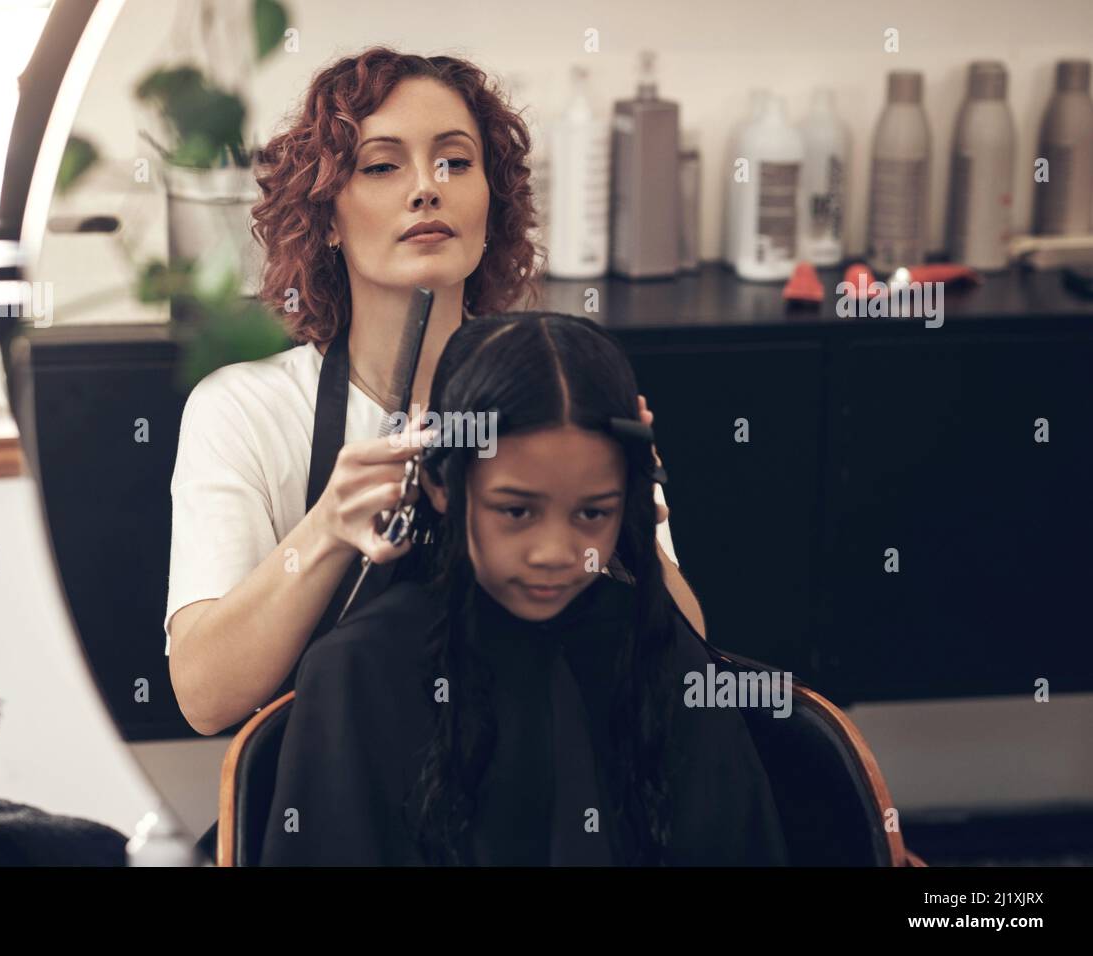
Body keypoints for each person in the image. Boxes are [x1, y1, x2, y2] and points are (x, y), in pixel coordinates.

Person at [165, 46, 703, 743]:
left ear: (491, 199)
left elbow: (688, 659)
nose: (427, 187)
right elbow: (205, 699)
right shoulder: (242, 410)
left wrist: (627, 525)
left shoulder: (563, 391)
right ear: (326, 215)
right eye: (382, 165)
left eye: (455, 161)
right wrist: (327, 527)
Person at [259, 313, 789, 866]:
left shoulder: (662, 655)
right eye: (516, 510)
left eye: (593, 511)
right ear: (441, 484)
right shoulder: (358, 674)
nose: (555, 552)